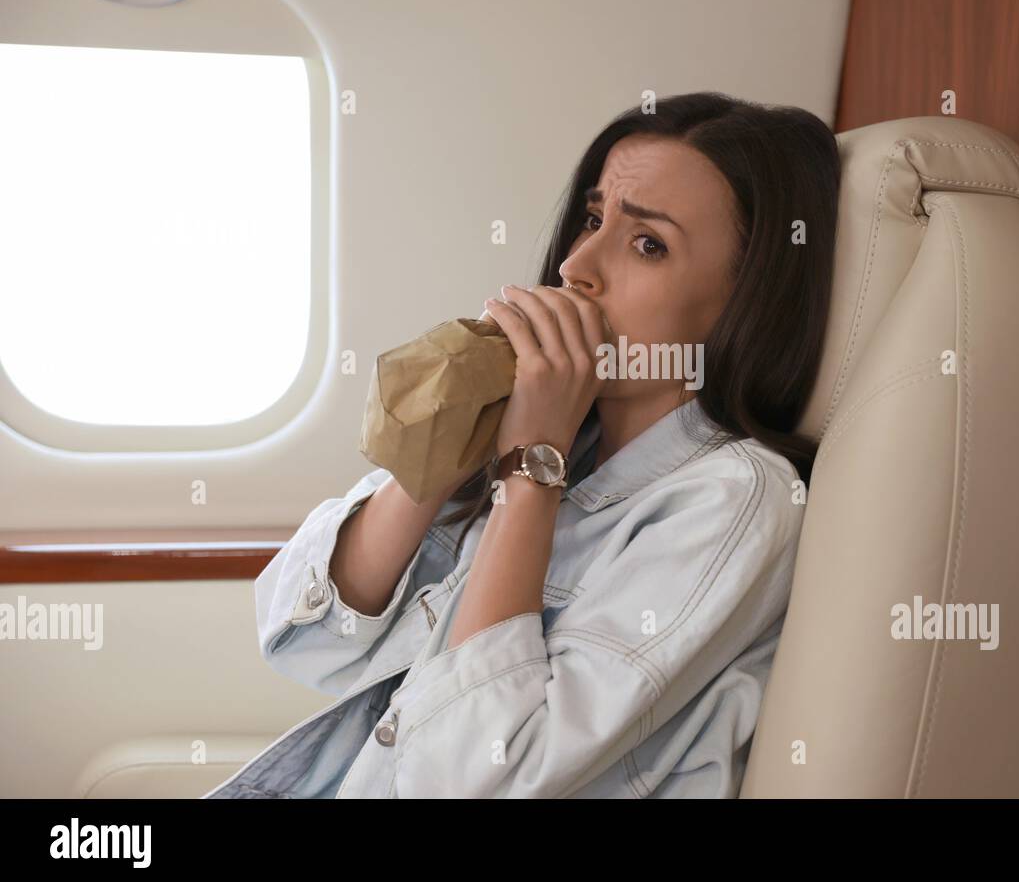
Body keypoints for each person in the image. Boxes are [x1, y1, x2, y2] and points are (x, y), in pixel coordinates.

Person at [202, 90, 840, 799]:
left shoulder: (733, 498)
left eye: (648, 244)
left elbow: (471, 777)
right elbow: (303, 636)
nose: (577, 268)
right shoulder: (558, 433)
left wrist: (531, 468)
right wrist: (456, 432)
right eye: (593, 219)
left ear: (742, 304)